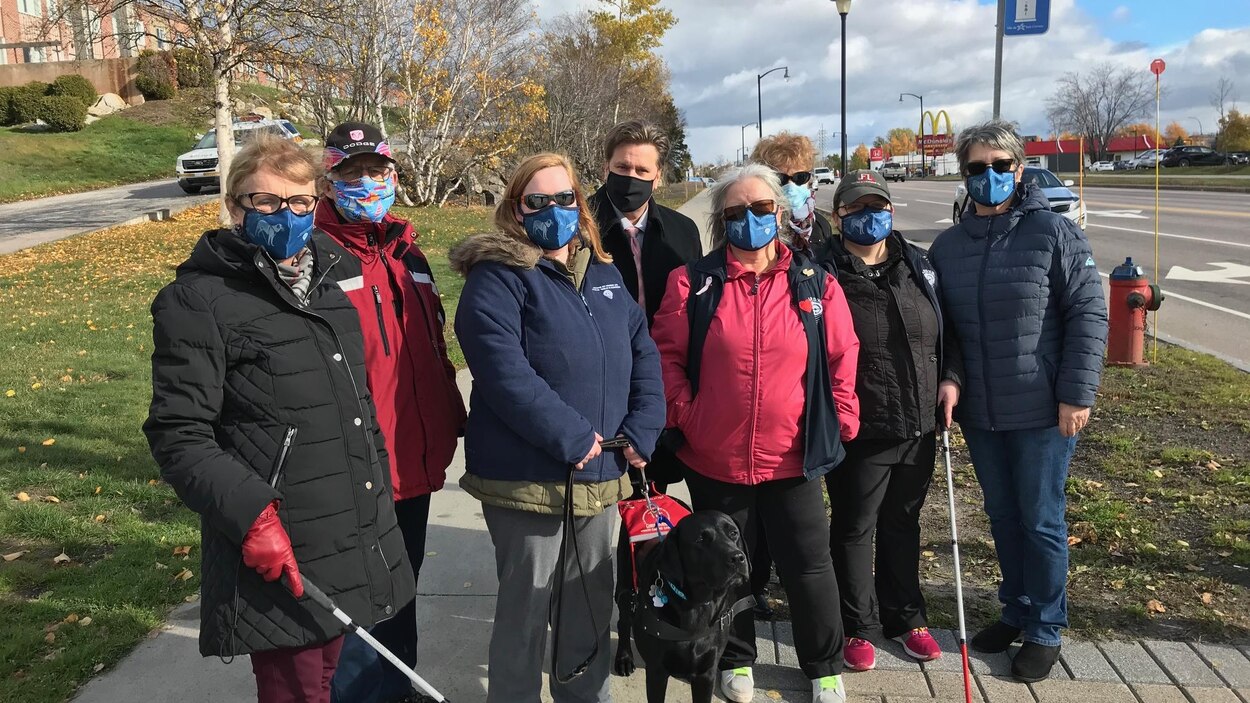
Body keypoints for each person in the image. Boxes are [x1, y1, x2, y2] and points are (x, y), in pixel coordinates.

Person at [144, 134, 415, 703]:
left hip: (353, 526)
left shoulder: (328, 287)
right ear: (235, 206)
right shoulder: (198, 300)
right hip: (283, 539)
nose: (283, 215)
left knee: (358, 683)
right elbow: (179, 433)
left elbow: (356, 406)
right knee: (302, 690)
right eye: (264, 202)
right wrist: (252, 518)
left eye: (297, 202)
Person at [449, 152, 666, 703]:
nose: (555, 210)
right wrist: (571, 436)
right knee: (526, 610)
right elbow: (503, 374)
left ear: (581, 204)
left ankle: (584, 696)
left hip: (601, 475)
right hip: (527, 480)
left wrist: (643, 427)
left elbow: (644, 356)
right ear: (517, 211)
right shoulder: (497, 278)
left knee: (588, 604)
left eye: (565, 198)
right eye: (538, 201)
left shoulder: (606, 275)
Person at [651, 163, 861, 703]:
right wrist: (685, 413)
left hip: (793, 456)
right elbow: (666, 355)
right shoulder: (693, 283)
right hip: (715, 456)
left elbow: (841, 356)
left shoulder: (815, 283)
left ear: (780, 213)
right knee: (725, 568)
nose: (750, 220)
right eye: (736, 212)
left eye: (761, 209)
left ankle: (823, 667)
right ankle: (736, 659)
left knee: (809, 565)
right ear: (723, 221)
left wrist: (840, 418)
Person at [928, 120, 1107, 683]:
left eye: (1000, 166)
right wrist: (951, 379)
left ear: (1019, 169)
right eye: (976, 169)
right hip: (982, 411)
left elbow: (1088, 314)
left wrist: (1076, 393)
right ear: (964, 175)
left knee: (1041, 520)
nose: (989, 177)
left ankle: (1046, 626)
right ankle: (1016, 609)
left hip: (1041, 409)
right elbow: (946, 332)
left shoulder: (1054, 233)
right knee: (1003, 517)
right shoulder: (948, 246)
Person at [311, 122, 467, 703]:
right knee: (356, 610)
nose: (367, 184)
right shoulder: (313, 257)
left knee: (402, 590)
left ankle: (399, 689)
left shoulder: (411, 254)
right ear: (330, 182)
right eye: (352, 175)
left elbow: (432, 350)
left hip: (415, 460)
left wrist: (454, 414)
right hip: (354, 466)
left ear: (394, 175)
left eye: (377, 172)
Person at [823, 170, 963, 671]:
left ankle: (905, 617)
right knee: (856, 526)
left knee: (903, 522)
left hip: (920, 423)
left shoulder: (918, 266)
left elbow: (949, 331)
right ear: (839, 216)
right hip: (861, 427)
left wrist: (950, 377)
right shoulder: (822, 272)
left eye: (877, 206)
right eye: (857, 208)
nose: (869, 216)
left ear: (891, 211)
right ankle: (856, 625)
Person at [745, 132, 839, 618]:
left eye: (802, 177)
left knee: (803, 504)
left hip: (815, 380)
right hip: (762, 383)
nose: (795, 186)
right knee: (756, 506)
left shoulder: (822, 231)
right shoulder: (750, 227)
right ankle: (754, 581)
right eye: (784, 179)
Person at [589, 119, 703, 327]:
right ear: (606, 169)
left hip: (667, 356)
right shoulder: (579, 229)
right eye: (622, 167)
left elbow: (696, 306)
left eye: (642, 171)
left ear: (657, 177)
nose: (631, 177)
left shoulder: (685, 233)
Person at [750, 132, 836, 261]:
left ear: (809, 180)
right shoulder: (756, 228)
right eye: (780, 179)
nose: (791, 186)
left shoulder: (820, 226)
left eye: (800, 177)